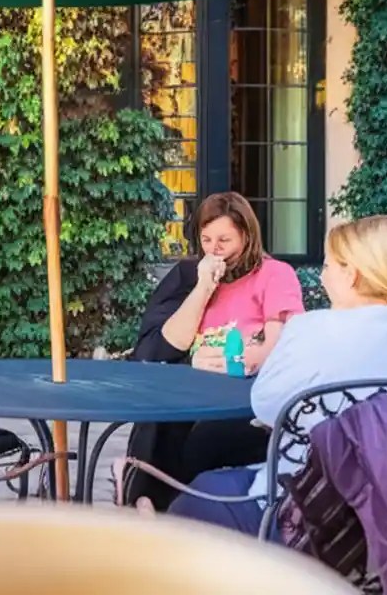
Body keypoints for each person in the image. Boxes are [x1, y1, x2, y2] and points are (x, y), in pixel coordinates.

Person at [169, 215, 387, 535]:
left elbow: (265, 405)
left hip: (300, 507)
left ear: (351, 274)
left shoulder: (310, 329)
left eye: (328, 266)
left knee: (193, 497)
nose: (321, 277)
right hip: (383, 510)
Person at [122, 192, 304, 511]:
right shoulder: (197, 278)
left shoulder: (274, 274)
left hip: (247, 397)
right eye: (206, 239)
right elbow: (167, 344)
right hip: (197, 392)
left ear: (246, 236)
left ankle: (176, 507)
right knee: (157, 418)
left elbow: (281, 336)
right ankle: (144, 504)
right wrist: (203, 286)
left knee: (199, 440)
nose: (214, 249)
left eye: (224, 239)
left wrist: (245, 358)